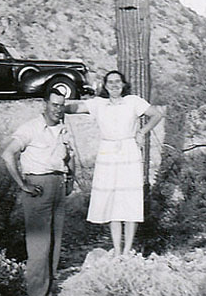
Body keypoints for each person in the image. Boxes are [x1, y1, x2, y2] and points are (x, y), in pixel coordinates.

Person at [65, 70, 163, 257]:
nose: (114, 85)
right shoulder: (99, 104)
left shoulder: (133, 101)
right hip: (107, 153)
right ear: (105, 85)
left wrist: (142, 132)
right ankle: (117, 250)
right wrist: (58, 106)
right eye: (110, 82)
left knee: (130, 199)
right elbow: (74, 108)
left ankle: (127, 250)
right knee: (113, 201)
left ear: (124, 84)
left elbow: (156, 114)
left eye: (118, 81)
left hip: (128, 151)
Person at [2, 88, 75, 296]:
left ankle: (48, 290)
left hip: (58, 184)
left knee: (55, 240)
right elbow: (7, 154)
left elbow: (69, 157)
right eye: (54, 105)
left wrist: (70, 180)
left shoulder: (62, 129)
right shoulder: (31, 128)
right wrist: (23, 184)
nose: (58, 110)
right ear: (45, 104)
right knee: (38, 243)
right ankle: (35, 294)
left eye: (61, 106)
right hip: (38, 186)